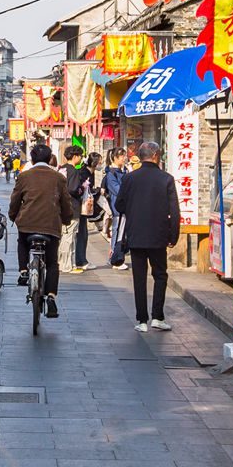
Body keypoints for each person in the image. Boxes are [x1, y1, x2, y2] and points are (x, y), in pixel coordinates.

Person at [116, 140, 181, 332]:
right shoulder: (166, 179)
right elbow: (174, 211)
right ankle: (157, 317)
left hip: (136, 233)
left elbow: (119, 205)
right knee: (160, 274)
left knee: (139, 277)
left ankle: (142, 320)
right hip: (159, 235)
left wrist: (134, 207)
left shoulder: (130, 178)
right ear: (155, 156)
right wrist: (173, 234)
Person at [8, 144, 73, 319]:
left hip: (27, 224)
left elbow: (15, 200)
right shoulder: (59, 178)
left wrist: (13, 216)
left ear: (32, 158)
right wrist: (66, 219)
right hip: (51, 226)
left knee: (22, 242)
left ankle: (23, 272)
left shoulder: (24, 176)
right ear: (50, 158)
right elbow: (66, 204)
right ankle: (51, 296)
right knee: (52, 263)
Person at [64, 149, 97, 269]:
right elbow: (73, 189)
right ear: (75, 156)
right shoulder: (75, 171)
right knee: (75, 235)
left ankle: (68, 262)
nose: (81, 158)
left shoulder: (63, 169)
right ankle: (76, 262)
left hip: (64, 207)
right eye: (80, 156)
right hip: (74, 207)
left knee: (67, 237)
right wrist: (82, 188)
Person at [102, 148, 130, 269]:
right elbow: (118, 191)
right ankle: (116, 259)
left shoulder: (123, 171)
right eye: (121, 156)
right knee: (118, 233)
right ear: (114, 158)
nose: (124, 158)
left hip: (124, 208)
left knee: (121, 233)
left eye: (124, 156)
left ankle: (116, 257)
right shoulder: (111, 174)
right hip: (117, 208)